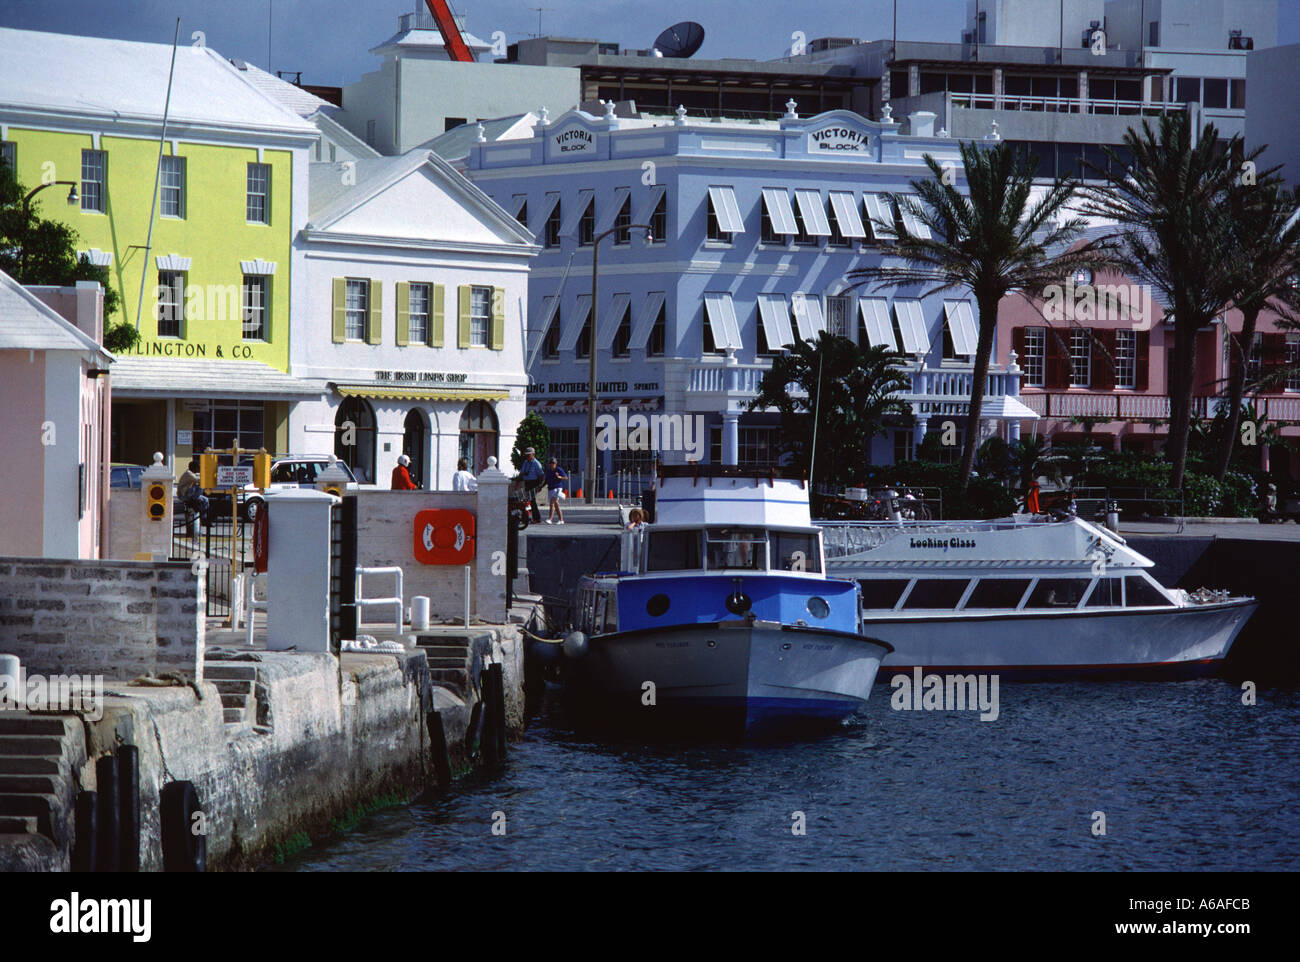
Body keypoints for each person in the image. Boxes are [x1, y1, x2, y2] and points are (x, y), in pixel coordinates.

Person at [177, 458, 208, 533]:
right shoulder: (188, 474)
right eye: (198, 468)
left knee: (206, 500)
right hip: (183, 495)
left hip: (189, 493)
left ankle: (204, 517)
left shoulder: (192, 474)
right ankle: (195, 498)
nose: (199, 469)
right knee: (201, 485)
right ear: (194, 468)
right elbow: (199, 480)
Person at [519, 447, 545, 523]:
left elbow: (541, 475)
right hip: (527, 482)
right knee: (525, 501)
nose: (527, 456)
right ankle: (526, 517)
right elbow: (522, 473)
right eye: (526, 455)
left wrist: (540, 486)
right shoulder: (525, 462)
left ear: (533, 454)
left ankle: (537, 518)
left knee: (532, 501)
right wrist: (517, 482)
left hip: (534, 483)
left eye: (528, 455)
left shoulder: (536, 463)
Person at [544, 457, 568, 525]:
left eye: (553, 463)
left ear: (556, 463)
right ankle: (561, 520)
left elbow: (566, 477)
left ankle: (550, 519)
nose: (552, 464)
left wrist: (560, 477)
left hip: (557, 488)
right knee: (556, 505)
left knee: (552, 503)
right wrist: (541, 486)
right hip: (551, 488)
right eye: (551, 463)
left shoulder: (558, 469)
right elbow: (546, 480)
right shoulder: (548, 471)